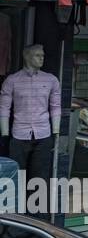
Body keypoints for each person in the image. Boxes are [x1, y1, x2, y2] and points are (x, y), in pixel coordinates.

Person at [0, 44, 60, 217]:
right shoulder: (12, 80)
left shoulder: (51, 80)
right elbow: (4, 108)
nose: (42, 58)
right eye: (37, 55)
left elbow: (55, 106)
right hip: (19, 135)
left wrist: (56, 132)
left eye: (43, 55)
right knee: (15, 178)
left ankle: (38, 221)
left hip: (43, 135)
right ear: (26, 56)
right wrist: (4, 134)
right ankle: (16, 220)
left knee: (40, 180)